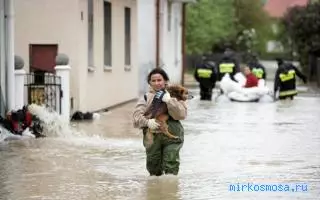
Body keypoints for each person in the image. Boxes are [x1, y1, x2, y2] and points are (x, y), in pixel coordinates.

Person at [132, 68, 187, 176]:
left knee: (171, 163)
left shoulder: (176, 96)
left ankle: (170, 189)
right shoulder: (145, 97)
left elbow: (181, 115)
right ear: (150, 83)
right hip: (152, 136)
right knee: (153, 167)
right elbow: (136, 117)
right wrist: (147, 122)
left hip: (173, 135)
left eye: (159, 80)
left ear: (165, 81)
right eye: (153, 81)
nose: (157, 83)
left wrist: (170, 101)